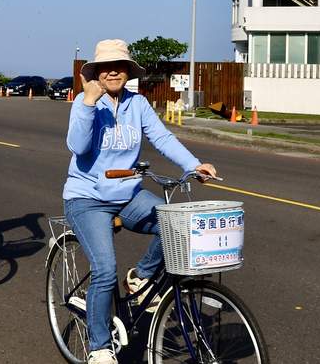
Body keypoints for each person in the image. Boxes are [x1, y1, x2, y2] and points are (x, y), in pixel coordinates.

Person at [63, 39, 217, 364]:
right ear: (97, 73)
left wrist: (193, 164)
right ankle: (99, 347)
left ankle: (142, 275)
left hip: (128, 195)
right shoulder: (85, 101)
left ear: (128, 71)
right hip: (87, 199)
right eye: (107, 67)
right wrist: (89, 102)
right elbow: (77, 146)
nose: (114, 71)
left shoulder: (138, 104)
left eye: (120, 66)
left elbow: (162, 137)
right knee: (104, 270)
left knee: (176, 225)